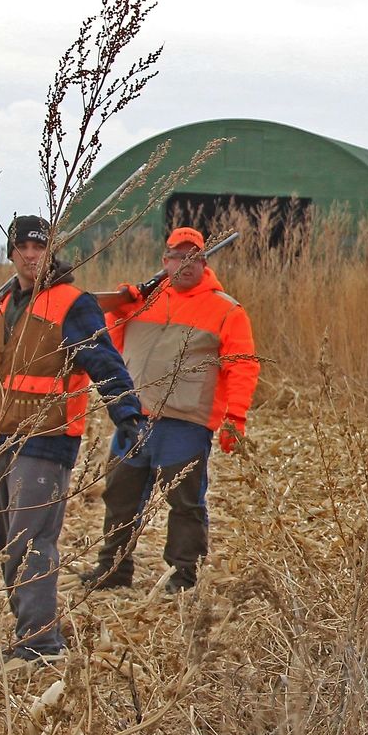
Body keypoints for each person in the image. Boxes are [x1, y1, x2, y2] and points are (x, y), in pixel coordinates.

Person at [0, 214, 142, 664]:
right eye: (23, 248)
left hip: (48, 435)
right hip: (4, 434)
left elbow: (104, 361)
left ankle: (40, 644)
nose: (32, 256)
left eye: (40, 248)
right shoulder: (1, 305)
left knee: (31, 540)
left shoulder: (71, 303)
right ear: (11, 252)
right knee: (7, 541)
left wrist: (127, 411)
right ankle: (28, 635)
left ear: (52, 251)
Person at [83, 226, 259, 593]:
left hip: (186, 422)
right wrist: (120, 306)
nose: (186, 264)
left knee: (184, 502)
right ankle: (113, 569)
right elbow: (108, 345)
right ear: (165, 262)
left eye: (194, 257)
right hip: (134, 417)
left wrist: (234, 418)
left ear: (204, 263)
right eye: (179, 256)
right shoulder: (142, 300)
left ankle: (183, 577)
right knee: (120, 495)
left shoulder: (225, 309)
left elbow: (242, 365)